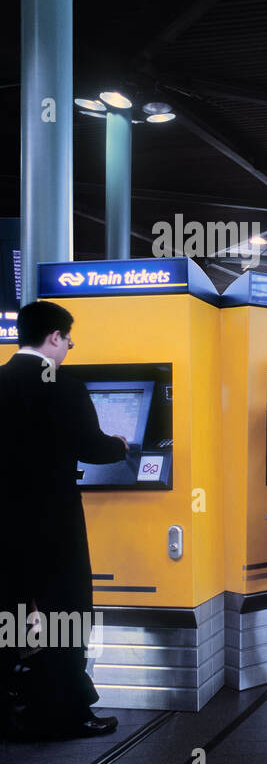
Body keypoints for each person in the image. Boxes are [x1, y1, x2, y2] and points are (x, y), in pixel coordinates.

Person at [0, 302, 128, 740]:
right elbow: (93, 447)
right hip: (52, 523)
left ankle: (12, 710)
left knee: (12, 610)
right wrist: (121, 445)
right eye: (69, 337)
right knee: (65, 613)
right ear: (54, 336)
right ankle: (68, 713)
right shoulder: (64, 386)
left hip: (5, 525)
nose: (70, 346)